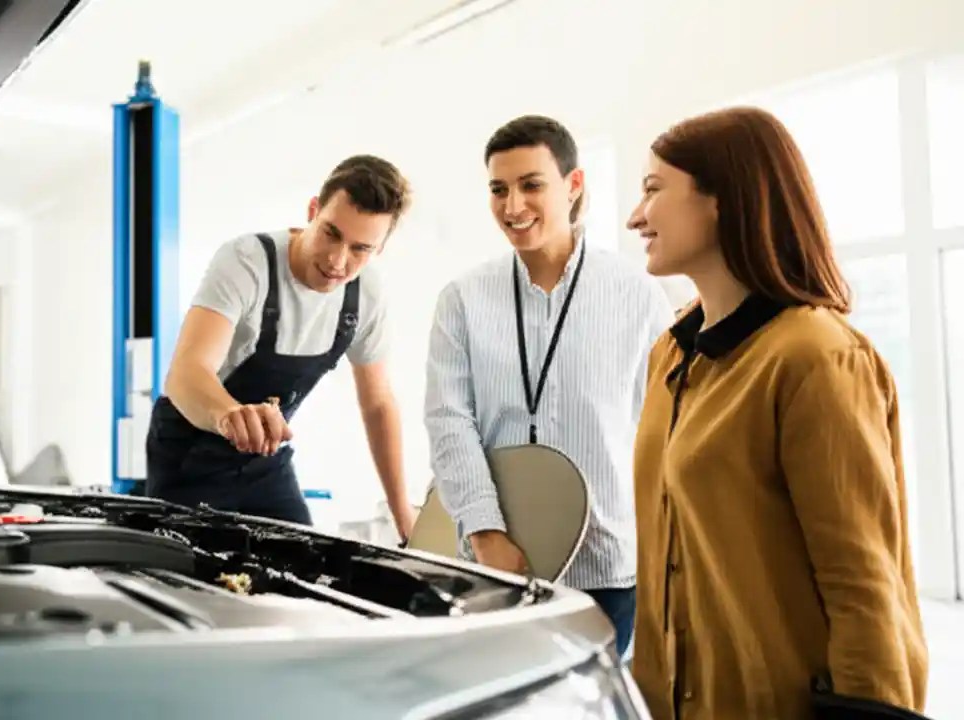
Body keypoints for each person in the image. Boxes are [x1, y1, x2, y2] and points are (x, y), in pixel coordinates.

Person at [625, 106, 928, 719]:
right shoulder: (671, 352)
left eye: (654, 190)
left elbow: (862, 582)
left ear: (722, 200)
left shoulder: (816, 358)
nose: (635, 217)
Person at [424, 115, 673, 657]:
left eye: (531, 185)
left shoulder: (638, 294)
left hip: (608, 566)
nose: (513, 207)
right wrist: (486, 533)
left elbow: (664, 433)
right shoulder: (463, 299)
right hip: (494, 565)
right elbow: (448, 422)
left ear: (573, 185)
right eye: (498, 189)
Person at [146, 154, 418, 541]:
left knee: (305, 570)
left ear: (379, 249)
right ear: (313, 210)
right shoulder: (246, 262)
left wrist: (402, 511)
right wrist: (229, 416)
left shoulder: (366, 296)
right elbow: (187, 371)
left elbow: (378, 404)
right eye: (331, 233)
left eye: (361, 249)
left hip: (265, 465)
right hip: (187, 462)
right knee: (191, 581)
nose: (338, 261)